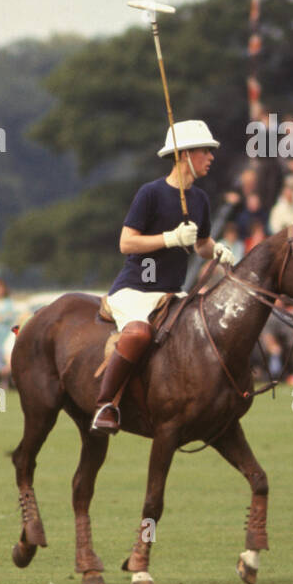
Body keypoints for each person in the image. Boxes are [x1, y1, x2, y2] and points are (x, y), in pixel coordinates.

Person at [92, 119, 236, 433]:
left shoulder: (200, 199)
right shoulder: (151, 193)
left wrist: (218, 250)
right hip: (135, 290)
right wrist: (169, 239)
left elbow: (201, 245)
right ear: (184, 155)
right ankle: (106, 405)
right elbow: (126, 242)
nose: (211, 158)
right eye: (205, 152)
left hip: (172, 292)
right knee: (140, 334)